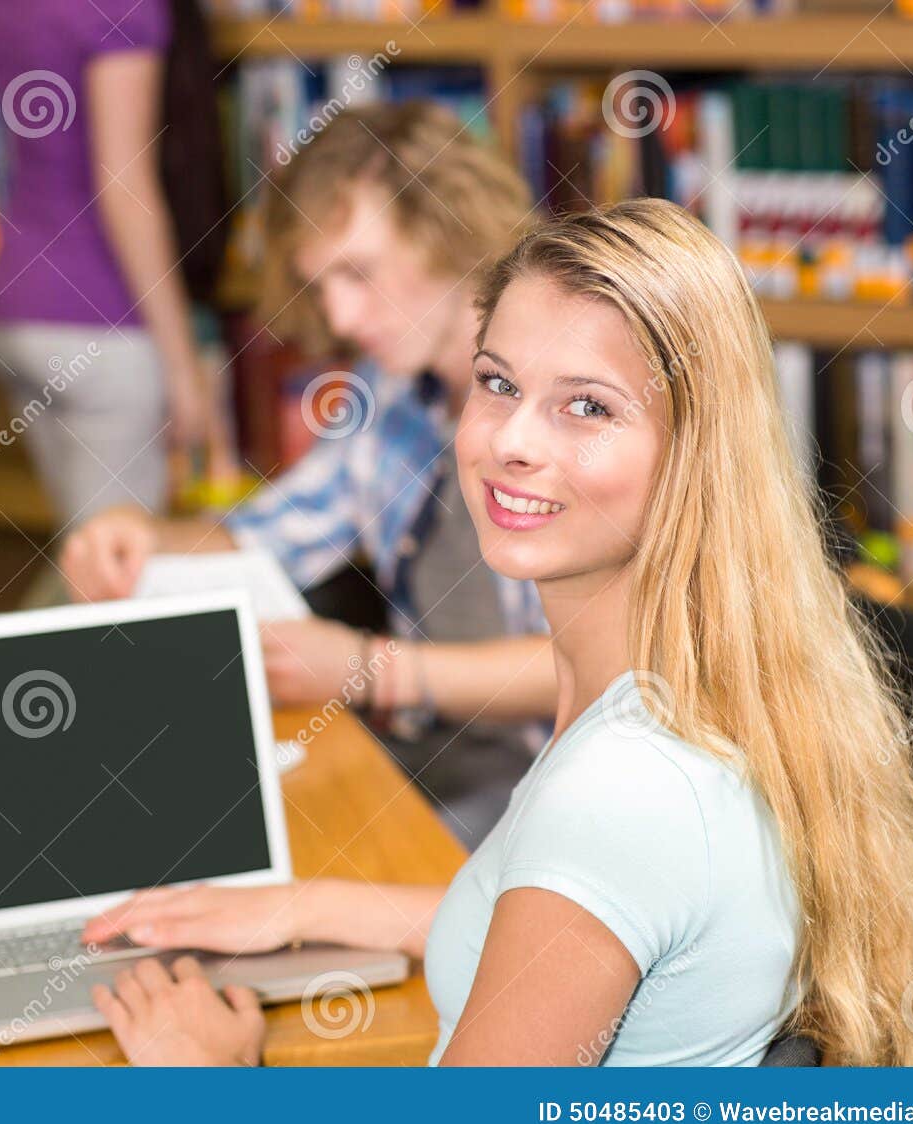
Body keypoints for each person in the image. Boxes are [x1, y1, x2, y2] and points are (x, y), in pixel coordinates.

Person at [81, 200, 913, 1067]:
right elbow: (571, 933)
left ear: (695, 454)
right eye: (497, 383)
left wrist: (210, 1076)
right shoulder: (691, 685)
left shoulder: (621, 790)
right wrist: (306, 907)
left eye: (588, 407)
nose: (511, 441)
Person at [61, 104, 555, 844]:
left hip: (559, 778)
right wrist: (139, 538)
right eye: (321, 286)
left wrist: (370, 670)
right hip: (444, 751)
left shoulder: (573, 399)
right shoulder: (393, 394)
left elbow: (622, 670)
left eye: (359, 272)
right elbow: (271, 534)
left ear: (452, 229)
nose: (343, 315)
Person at [0, 0, 234, 524]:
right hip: (102, 325)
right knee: (120, 575)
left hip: (15, 305)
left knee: (85, 554)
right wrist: (183, 369)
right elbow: (124, 186)